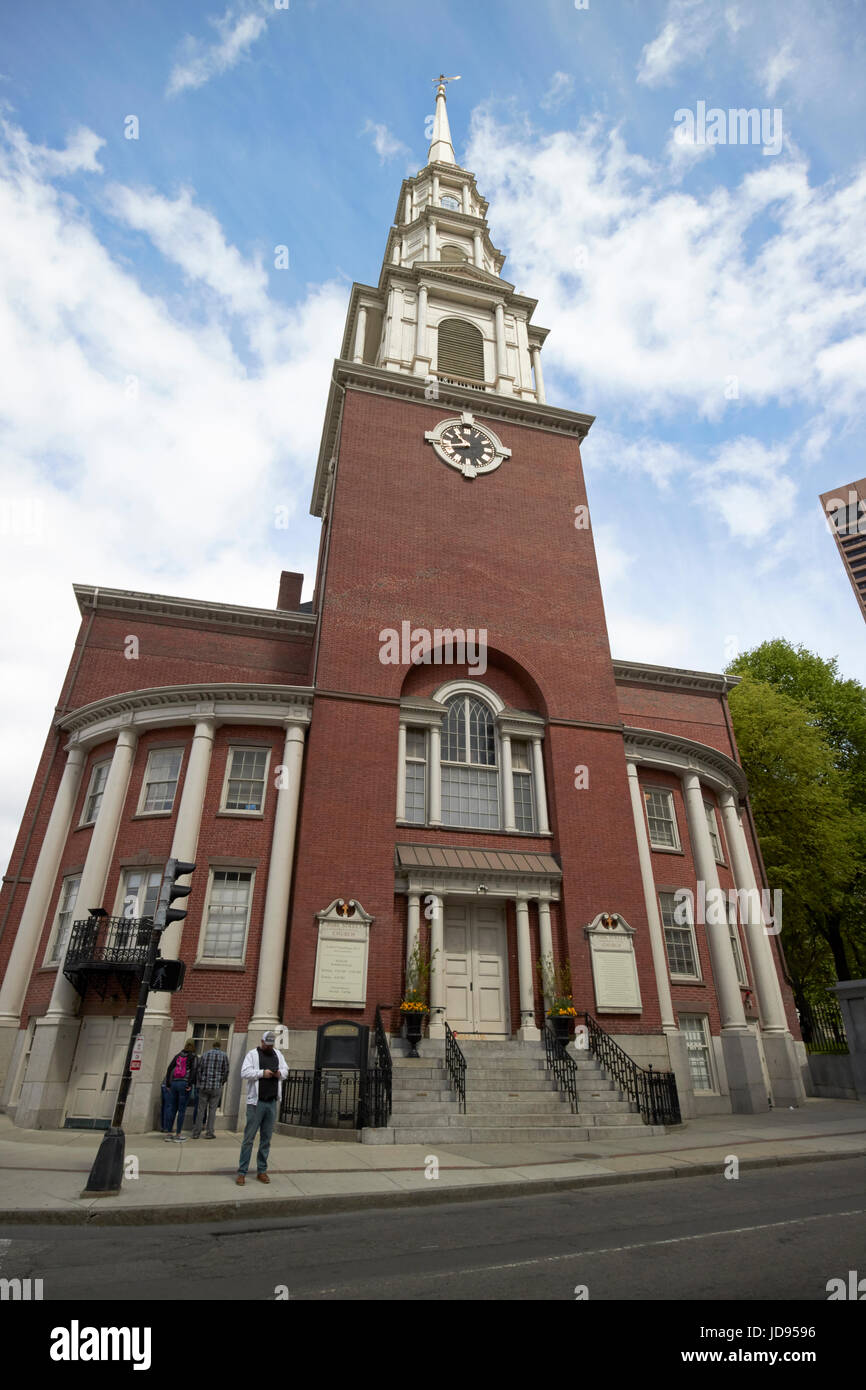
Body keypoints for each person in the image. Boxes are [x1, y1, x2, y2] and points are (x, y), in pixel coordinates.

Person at [236, 1030, 288, 1184]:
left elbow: (286, 1070)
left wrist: (279, 1073)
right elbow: (244, 1072)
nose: (269, 1046)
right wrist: (261, 1073)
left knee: (266, 1139)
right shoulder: (252, 1054)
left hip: (271, 1102)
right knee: (248, 1138)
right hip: (256, 1103)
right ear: (262, 1041)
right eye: (267, 1043)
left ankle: (262, 1170)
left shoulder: (277, 1054)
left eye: (271, 1044)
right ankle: (242, 1172)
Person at [193, 1038, 230, 1139]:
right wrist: (221, 1081)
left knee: (201, 1110)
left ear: (213, 1044)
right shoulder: (224, 1056)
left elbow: (199, 1070)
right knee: (212, 1110)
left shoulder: (205, 1054)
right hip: (216, 1086)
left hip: (204, 1086)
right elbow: (226, 1071)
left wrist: (201, 1081)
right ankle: (209, 1132)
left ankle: (196, 1132)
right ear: (220, 1045)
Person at [163, 1039, 198, 1142]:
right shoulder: (193, 1056)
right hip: (184, 1084)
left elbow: (169, 1068)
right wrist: (189, 1084)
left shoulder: (178, 1055)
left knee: (172, 1108)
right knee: (181, 1110)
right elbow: (194, 1070)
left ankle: (169, 1133)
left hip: (174, 1083)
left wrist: (169, 1084)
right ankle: (178, 1134)